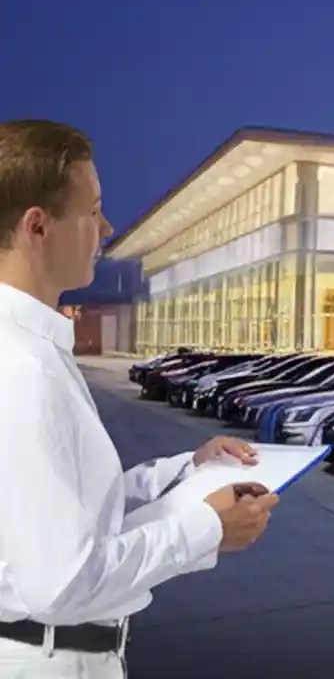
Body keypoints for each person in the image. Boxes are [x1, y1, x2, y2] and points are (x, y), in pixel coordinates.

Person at [0, 119, 280, 677]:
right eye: (92, 211)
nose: (106, 228)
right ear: (38, 227)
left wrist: (185, 471)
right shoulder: (23, 369)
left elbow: (71, 509)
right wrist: (206, 528)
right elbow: (60, 582)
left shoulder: (34, 351)